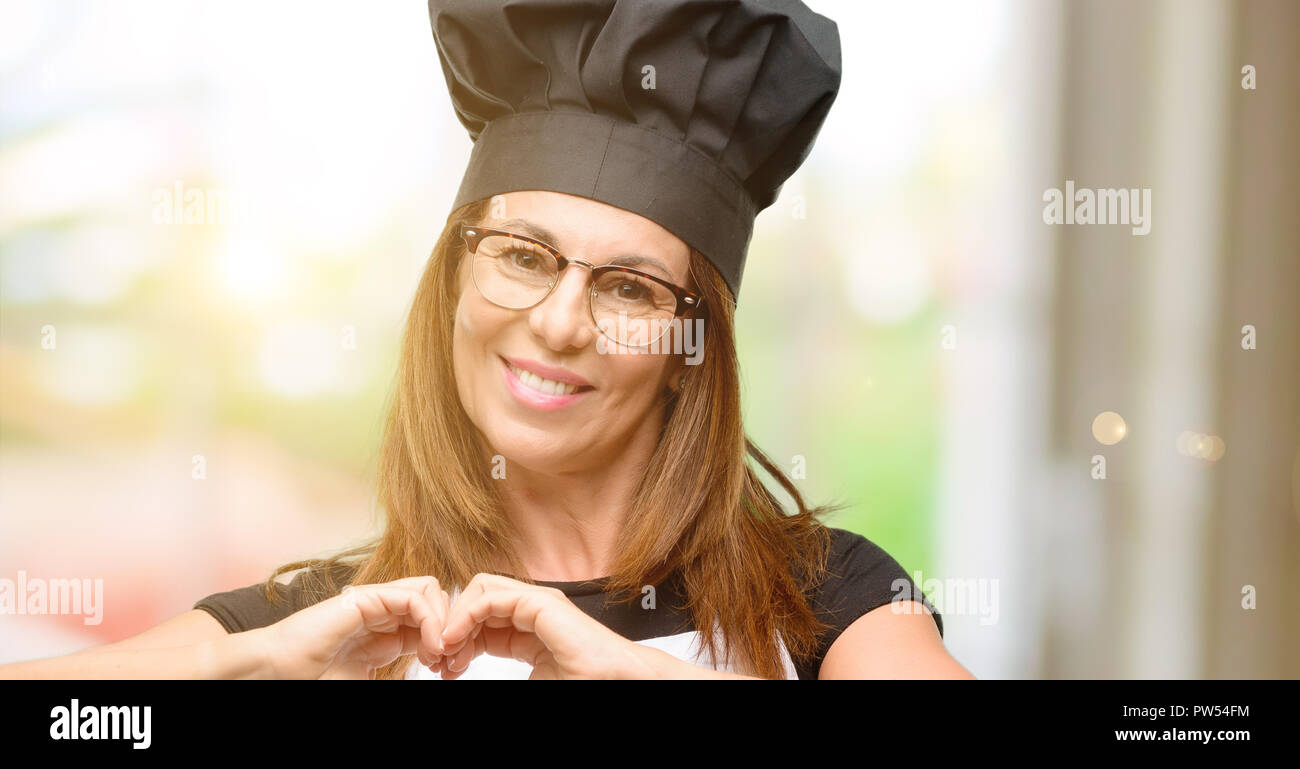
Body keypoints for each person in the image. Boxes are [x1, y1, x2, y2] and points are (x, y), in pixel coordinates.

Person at [0, 0, 973, 680]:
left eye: (629, 285)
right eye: (522, 254)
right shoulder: (319, 622)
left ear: (691, 344)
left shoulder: (825, 594)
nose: (559, 321)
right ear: (457, 280)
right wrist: (239, 661)